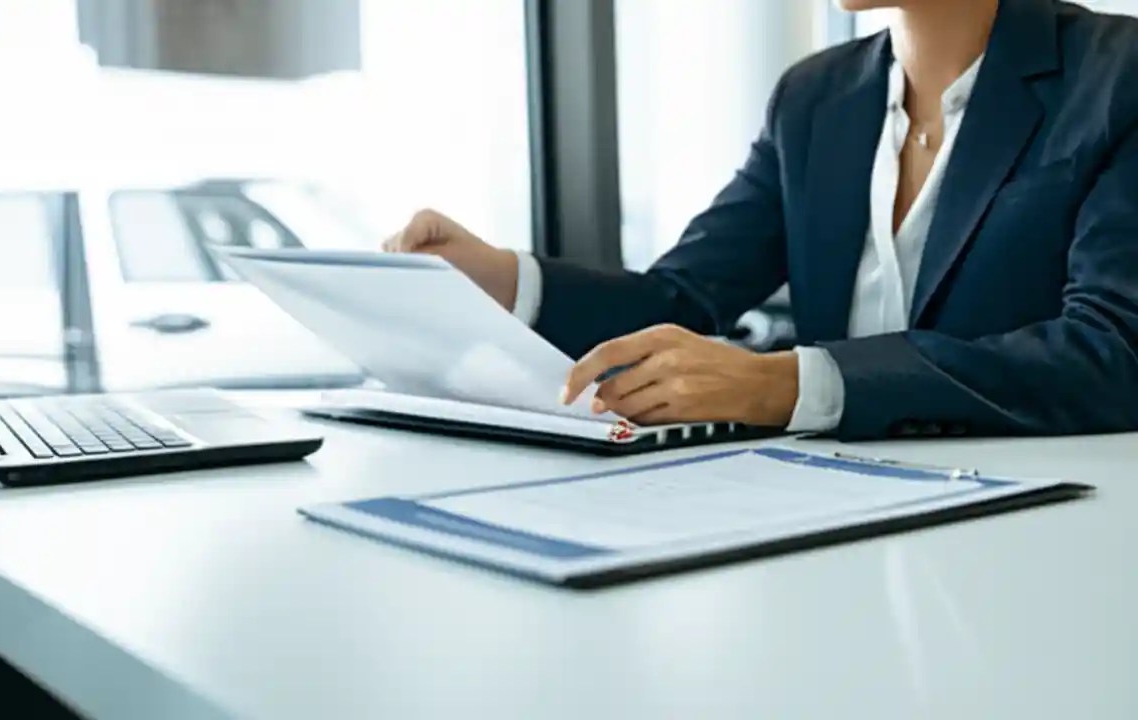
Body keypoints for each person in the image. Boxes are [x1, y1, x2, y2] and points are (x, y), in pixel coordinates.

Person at [384, 0, 1138, 440]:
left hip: (1046, 530)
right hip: (825, 509)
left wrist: (784, 384)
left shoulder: (1116, 76)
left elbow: (1110, 355)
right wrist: (504, 278)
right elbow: (681, 299)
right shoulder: (817, 98)